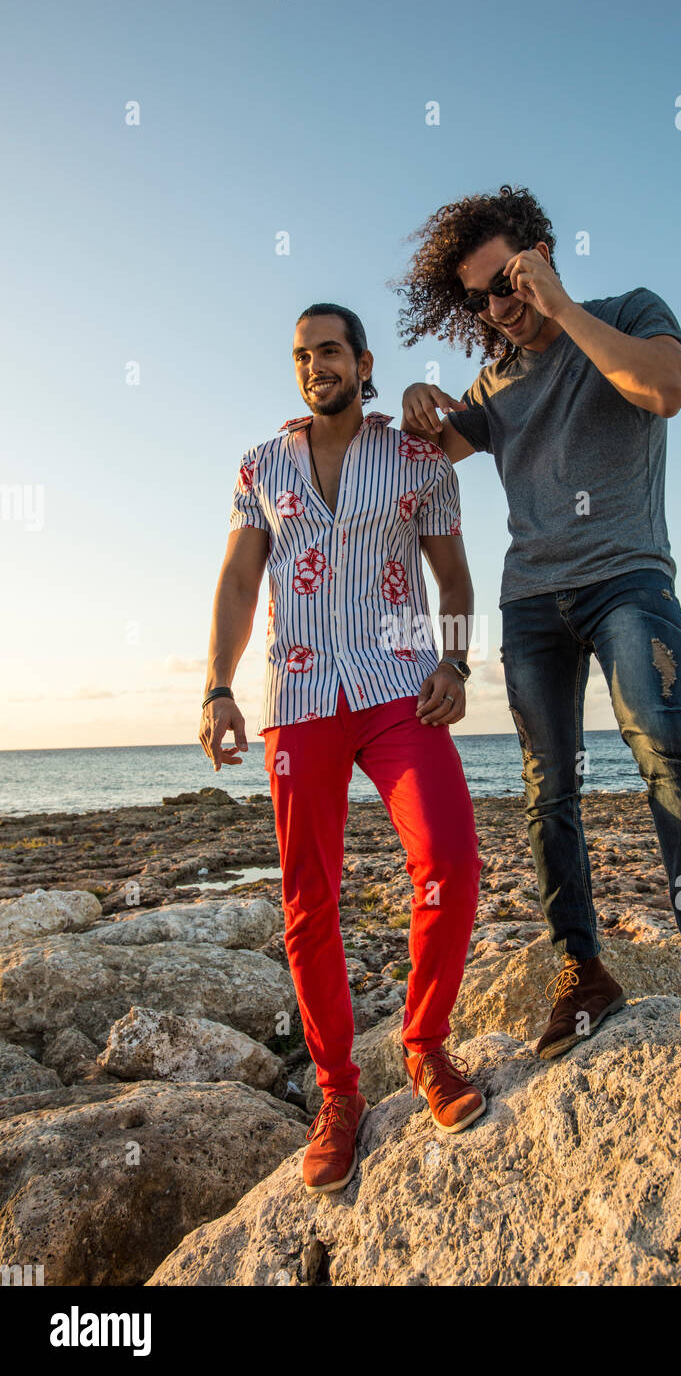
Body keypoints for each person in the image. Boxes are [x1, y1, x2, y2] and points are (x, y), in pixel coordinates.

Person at [395, 187, 681, 1115]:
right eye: (480, 297)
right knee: (546, 787)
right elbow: (428, 447)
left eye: (509, 280)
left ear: (543, 255)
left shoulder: (630, 313)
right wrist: (409, 402)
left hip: (629, 581)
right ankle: (580, 971)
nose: (499, 307)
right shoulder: (495, 380)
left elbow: (663, 391)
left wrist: (560, 308)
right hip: (531, 607)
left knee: (666, 747)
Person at [199, 303, 486, 1195]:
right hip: (300, 694)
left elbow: (454, 573)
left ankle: (426, 1046)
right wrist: (217, 687)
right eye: (300, 355)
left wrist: (456, 659)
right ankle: (338, 1096)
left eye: (328, 351)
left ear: (362, 362)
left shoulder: (416, 458)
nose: (313, 365)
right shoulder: (261, 464)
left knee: (450, 860)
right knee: (306, 903)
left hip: (401, 683)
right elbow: (242, 577)